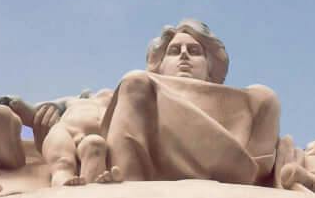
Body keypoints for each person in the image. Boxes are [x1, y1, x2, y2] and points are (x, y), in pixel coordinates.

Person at [96, 20, 287, 185]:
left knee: (264, 94)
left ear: (210, 65)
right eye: (174, 51)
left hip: (234, 167)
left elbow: (261, 165)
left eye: (194, 51)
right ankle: (129, 181)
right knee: (134, 80)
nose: (184, 55)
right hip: (144, 173)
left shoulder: (252, 99)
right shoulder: (138, 89)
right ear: (159, 65)